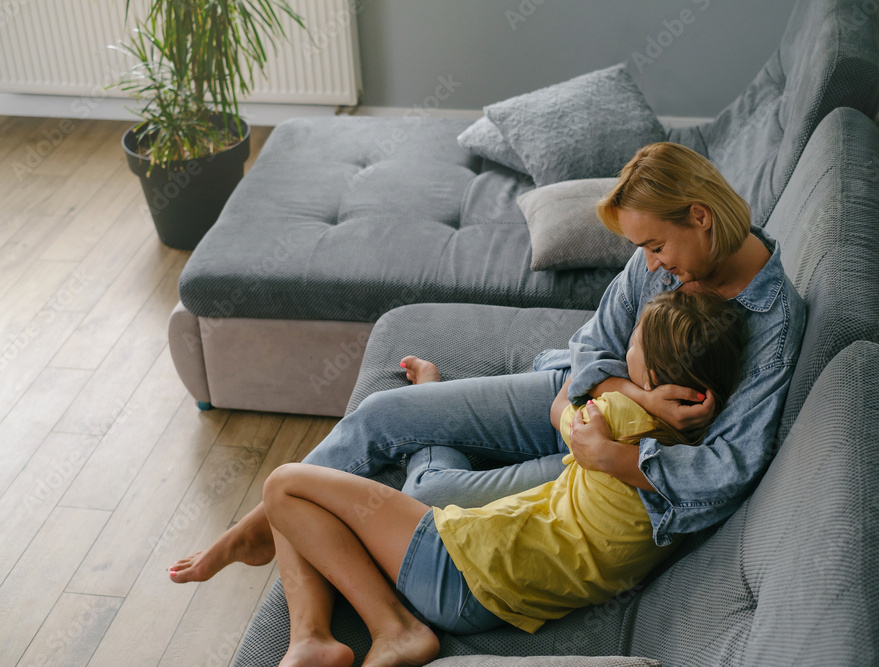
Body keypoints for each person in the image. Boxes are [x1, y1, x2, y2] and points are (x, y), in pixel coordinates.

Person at [171, 140, 804, 594]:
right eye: (641, 250)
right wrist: (620, 399)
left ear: (699, 215)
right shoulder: (657, 262)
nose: (650, 265)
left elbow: (729, 470)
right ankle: (258, 527)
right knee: (382, 414)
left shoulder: (771, 318)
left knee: (433, 495)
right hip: (579, 405)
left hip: (618, 473)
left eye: (655, 246)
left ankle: (319, 493)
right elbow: (591, 347)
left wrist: (613, 452)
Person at [171, 291, 747, 667]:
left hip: (458, 566)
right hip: (497, 584)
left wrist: (634, 395)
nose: (622, 357)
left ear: (663, 388)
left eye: (634, 354)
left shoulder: (618, 419)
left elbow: (563, 402)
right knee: (412, 484)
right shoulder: (695, 459)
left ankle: (382, 629)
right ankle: (309, 639)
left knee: (286, 487)